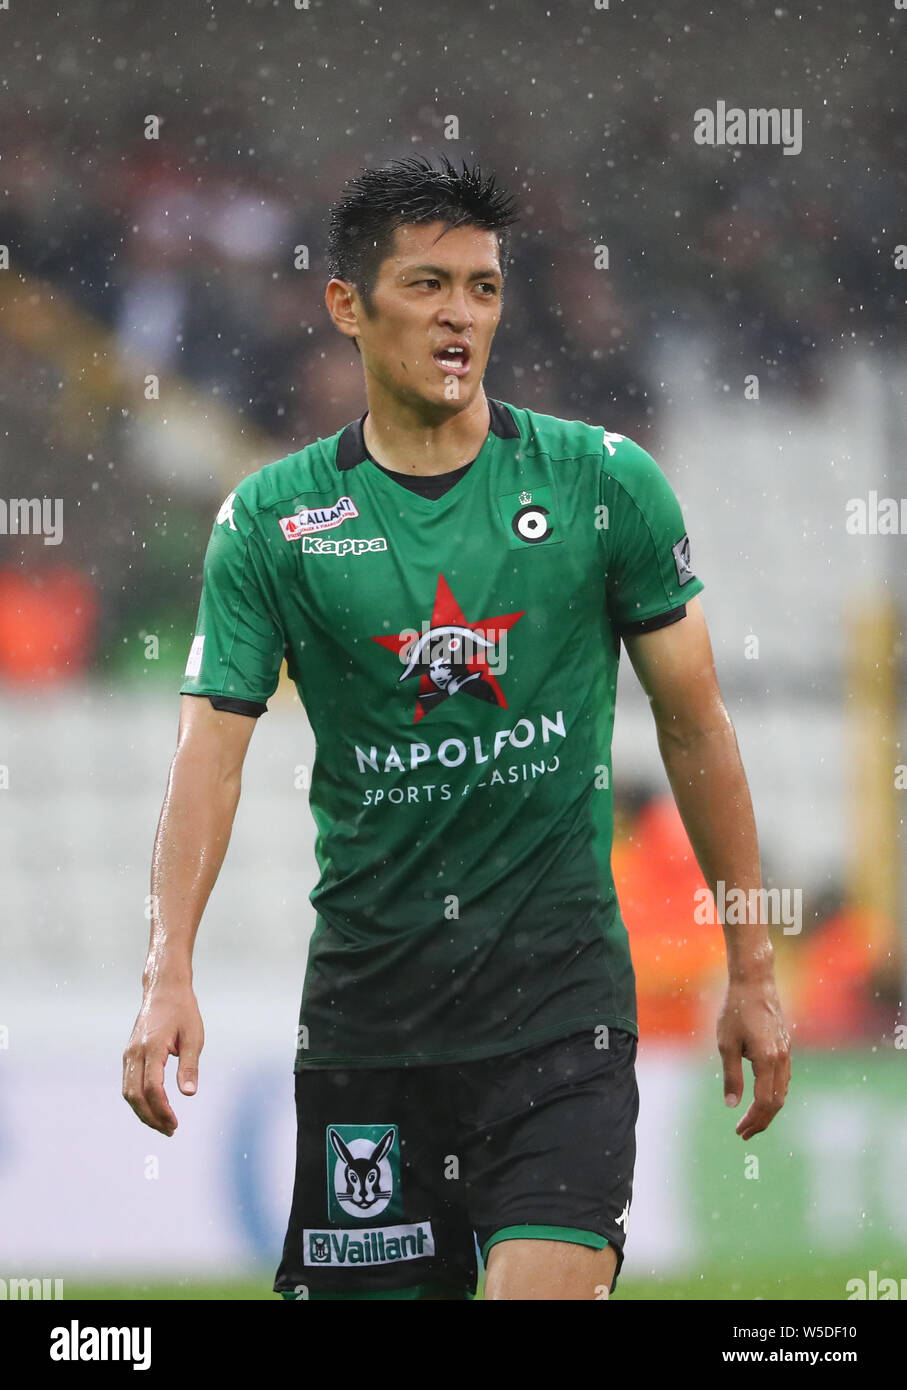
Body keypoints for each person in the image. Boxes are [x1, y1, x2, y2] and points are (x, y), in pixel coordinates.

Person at [122, 153, 791, 1301]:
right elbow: (208, 756)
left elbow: (696, 728)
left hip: (562, 1012)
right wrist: (168, 965)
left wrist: (752, 962)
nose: (460, 316)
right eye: (428, 284)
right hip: (370, 1022)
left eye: (482, 287)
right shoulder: (273, 524)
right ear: (347, 305)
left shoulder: (601, 483)